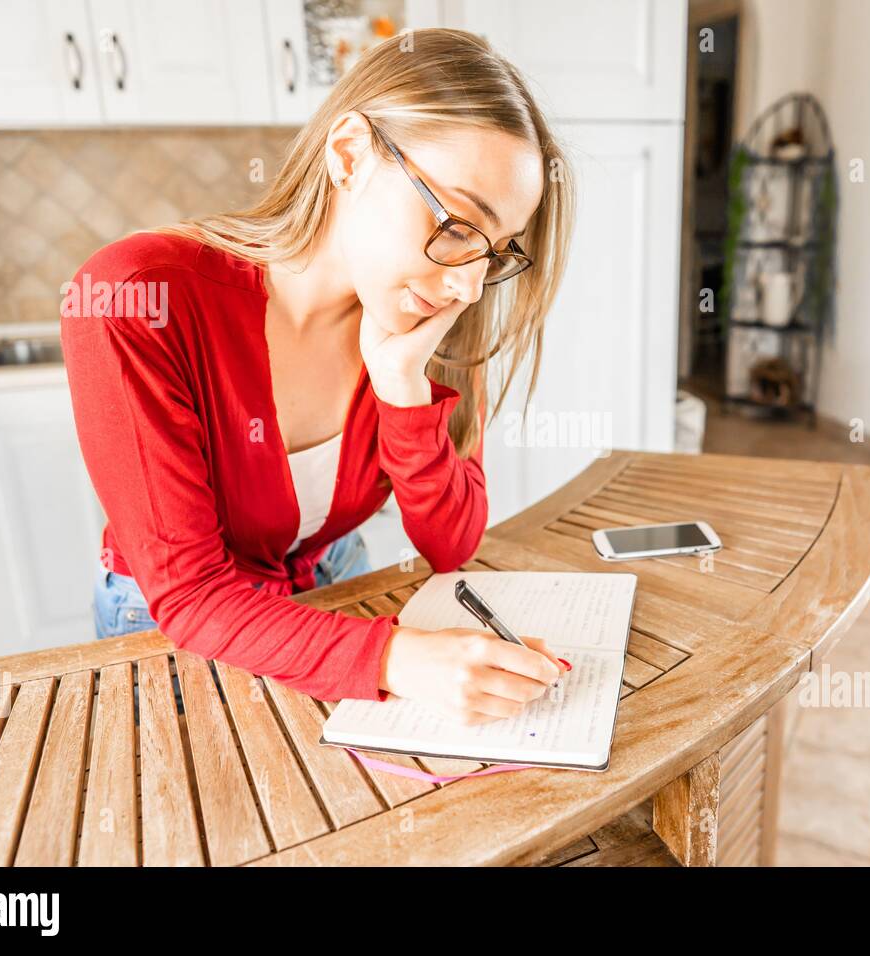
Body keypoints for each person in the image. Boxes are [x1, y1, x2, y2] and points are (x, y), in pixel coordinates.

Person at [62, 28, 575, 726]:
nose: (469, 287)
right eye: (456, 224)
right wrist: (400, 659)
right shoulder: (136, 294)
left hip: (336, 578)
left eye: (496, 252)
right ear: (349, 154)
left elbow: (450, 544)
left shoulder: (424, 316)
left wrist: (401, 385)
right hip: (164, 622)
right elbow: (193, 596)